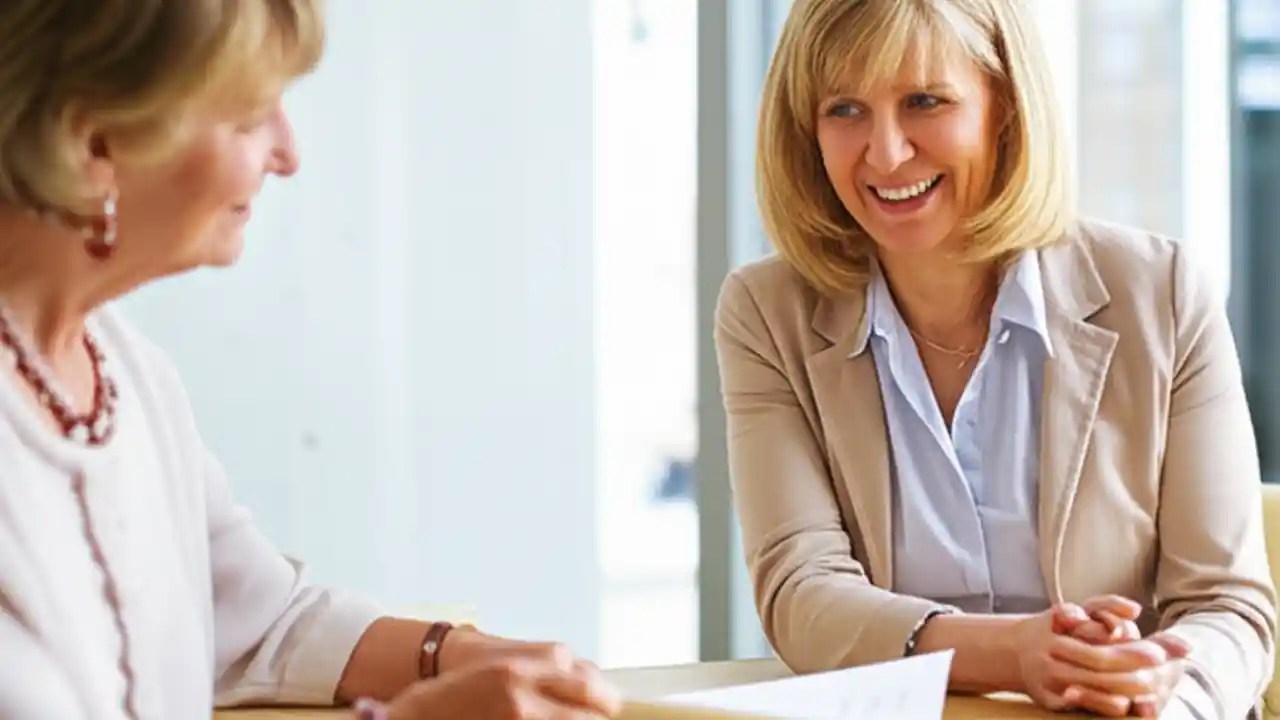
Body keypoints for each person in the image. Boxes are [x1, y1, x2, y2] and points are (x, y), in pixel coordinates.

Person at [0, 2, 619, 719]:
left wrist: (463, 654)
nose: (287, 153)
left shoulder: (126, 375)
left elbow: (262, 622)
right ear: (92, 139)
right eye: (249, 115)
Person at [715, 0, 1277, 717]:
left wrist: (1151, 694)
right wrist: (1015, 651)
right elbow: (801, 593)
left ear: (1004, 106)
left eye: (925, 101)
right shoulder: (768, 311)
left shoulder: (1159, 292)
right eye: (845, 110)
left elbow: (1229, 609)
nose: (884, 153)